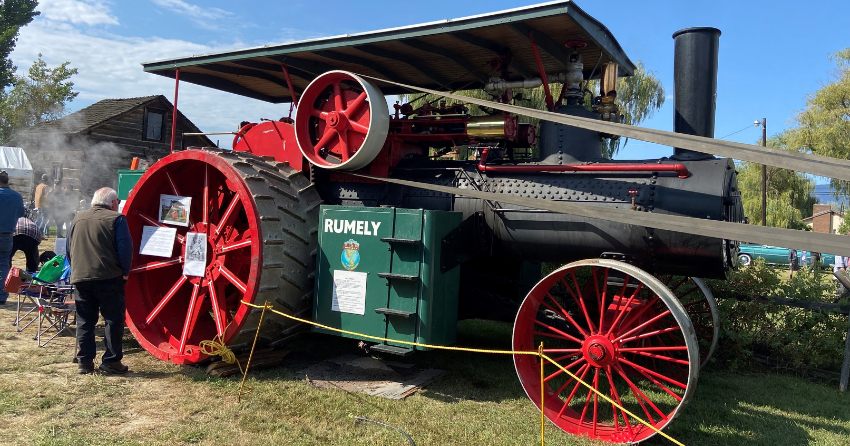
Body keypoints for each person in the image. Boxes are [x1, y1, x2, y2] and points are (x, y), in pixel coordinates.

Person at [68, 187, 133, 374]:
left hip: (80, 276)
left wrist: (77, 268)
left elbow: (69, 247)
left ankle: (84, 363)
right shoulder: (117, 219)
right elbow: (125, 249)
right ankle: (111, 362)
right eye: (118, 202)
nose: (118, 205)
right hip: (108, 277)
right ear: (113, 203)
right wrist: (125, 273)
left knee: (85, 321)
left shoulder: (78, 218)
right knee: (113, 319)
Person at [0, 171, 26, 305]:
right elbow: (21, 213)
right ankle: (2, 295)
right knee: (4, 265)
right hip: (7, 234)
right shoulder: (16, 196)